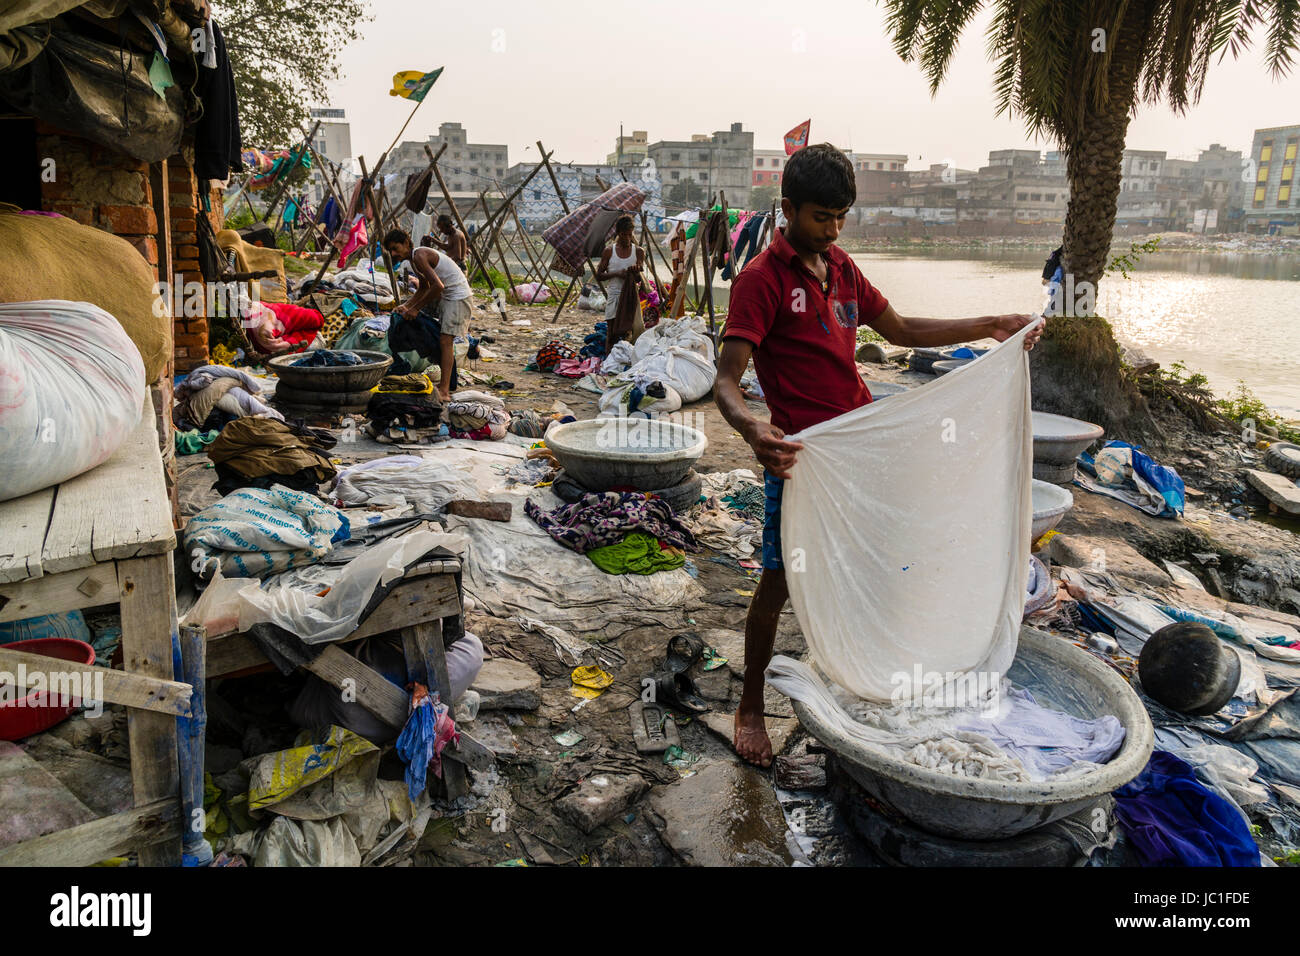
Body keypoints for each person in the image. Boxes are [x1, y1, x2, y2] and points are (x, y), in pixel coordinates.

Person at [712, 144, 1043, 768]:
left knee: (884, 563)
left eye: (841, 216)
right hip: (805, 459)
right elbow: (727, 377)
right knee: (779, 580)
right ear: (787, 210)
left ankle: (871, 669)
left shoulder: (841, 269)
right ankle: (751, 702)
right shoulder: (762, 281)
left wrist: (991, 323)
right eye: (820, 217)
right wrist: (754, 429)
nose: (832, 230)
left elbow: (902, 333)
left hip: (865, 449)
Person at [382, 228, 473, 402]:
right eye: (390, 251)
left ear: (407, 243)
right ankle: (445, 385)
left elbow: (438, 286)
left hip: (458, 297)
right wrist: (406, 305)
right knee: (442, 339)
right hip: (450, 297)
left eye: (396, 248)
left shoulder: (419, 256)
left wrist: (415, 309)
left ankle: (445, 390)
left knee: (446, 341)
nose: (394, 253)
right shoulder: (413, 261)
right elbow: (424, 287)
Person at [595, 214, 646, 349]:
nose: (627, 238)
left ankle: (626, 358)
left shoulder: (639, 251)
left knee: (632, 331)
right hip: (614, 295)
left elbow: (638, 279)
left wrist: (634, 272)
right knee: (612, 333)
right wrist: (618, 273)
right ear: (618, 233)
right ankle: (608, 360)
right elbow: (599, 275)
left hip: (631, 297)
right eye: (624, 235)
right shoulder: (609, 251)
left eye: (630, 235)